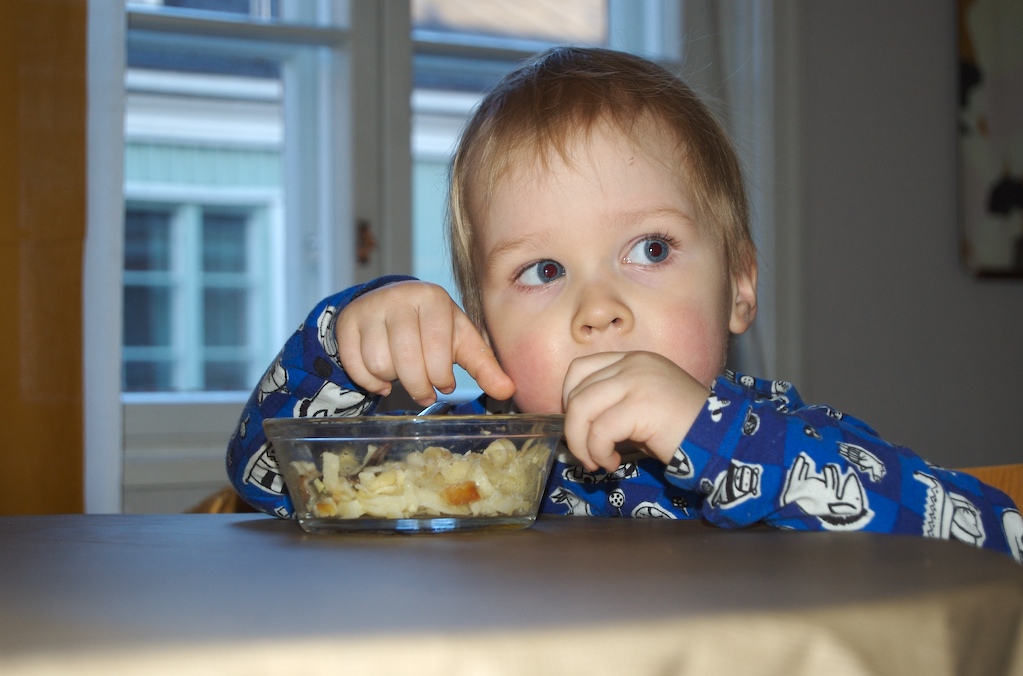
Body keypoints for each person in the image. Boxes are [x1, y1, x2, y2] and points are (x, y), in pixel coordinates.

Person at [226, 46, 1023, 561]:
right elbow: (268, 480)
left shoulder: (782, 441)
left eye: (649, 250)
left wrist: (704, 433)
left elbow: (996, 540)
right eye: (542, 270)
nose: (597, 310)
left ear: (739, 285)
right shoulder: (472, 458)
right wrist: (345, 337)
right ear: (483, 330)